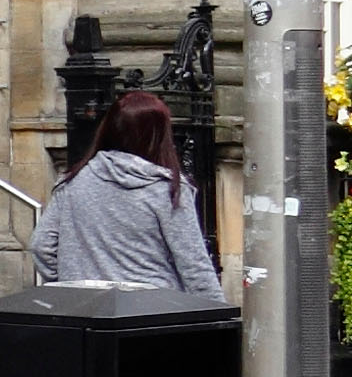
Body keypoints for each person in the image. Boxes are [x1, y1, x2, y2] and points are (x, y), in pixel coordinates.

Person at [33, 86, 224, 294]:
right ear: (159, 136)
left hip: (83, 308)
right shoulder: (166, 189)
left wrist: (70, 283)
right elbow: (194, 264)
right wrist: (219, 318)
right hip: (152, 309)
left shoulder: (73, 182)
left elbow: (41, 246)